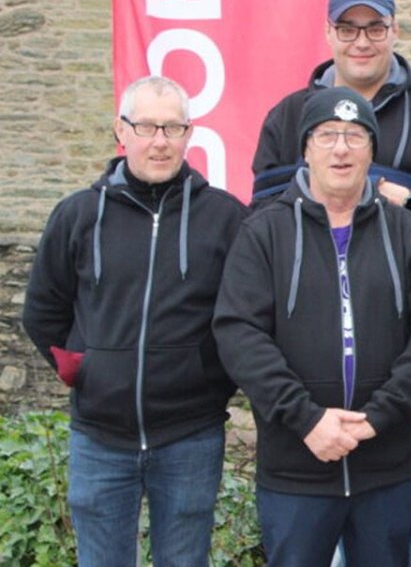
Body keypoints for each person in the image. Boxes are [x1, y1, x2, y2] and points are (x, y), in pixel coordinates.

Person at [253, 0, 411, 566]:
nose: (361, 40)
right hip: (309, 347)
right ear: (329, 33)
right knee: (318, 489)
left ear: (394, 31)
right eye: (348, 27)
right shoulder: (290, 115)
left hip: (409, 344)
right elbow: (261, 206)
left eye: (374, 27)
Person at [213, 87, 411, 566]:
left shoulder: (409, 232)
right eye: (327, 135)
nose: (341, 148)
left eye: (354, 135)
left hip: (385, 468)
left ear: (373, 149)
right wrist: (305, 417)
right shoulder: (264, 233)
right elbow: (239, 333)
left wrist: (379, 416)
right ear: (305, 148)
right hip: (296, 470)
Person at [22, 75, 248, 567]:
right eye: (146, 127)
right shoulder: (78, 215)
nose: (160, 141)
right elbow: (43, 309)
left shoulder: (226, 218)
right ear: (121, 131)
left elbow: (245, 317)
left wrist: (208, 380)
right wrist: (83, 367)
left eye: (172, 127)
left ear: (190, 134)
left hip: (190, 434)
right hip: (99, 437)